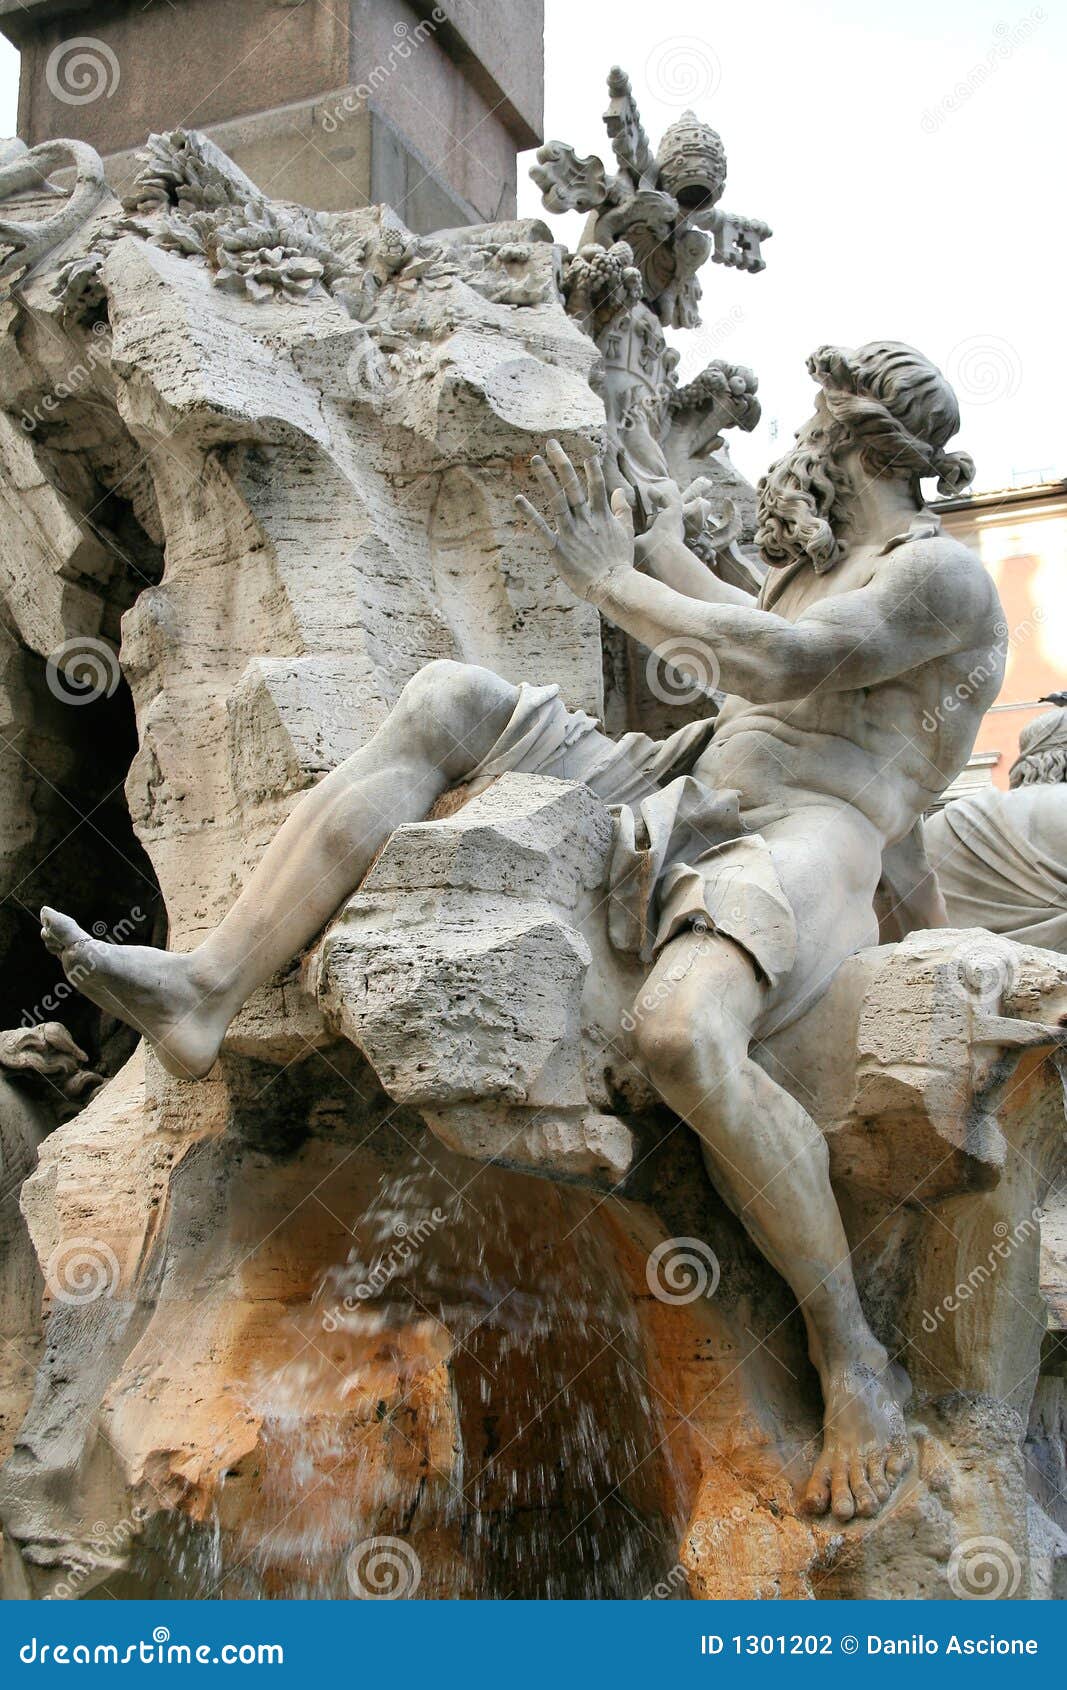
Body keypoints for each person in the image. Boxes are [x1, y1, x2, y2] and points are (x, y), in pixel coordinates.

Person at [41, 341, 1003, 1522]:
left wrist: (611, 578)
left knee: (684, 1035)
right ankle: (209, 984)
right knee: (447, 699)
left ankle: (848, 1352)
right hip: (681, 780)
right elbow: (725, 623)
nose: (799, 442)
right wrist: (636, 518)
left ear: (866, 441)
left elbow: (782, 659)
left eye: (820, 419)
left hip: (812, 837)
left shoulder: (936, 577)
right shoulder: (819, 564)